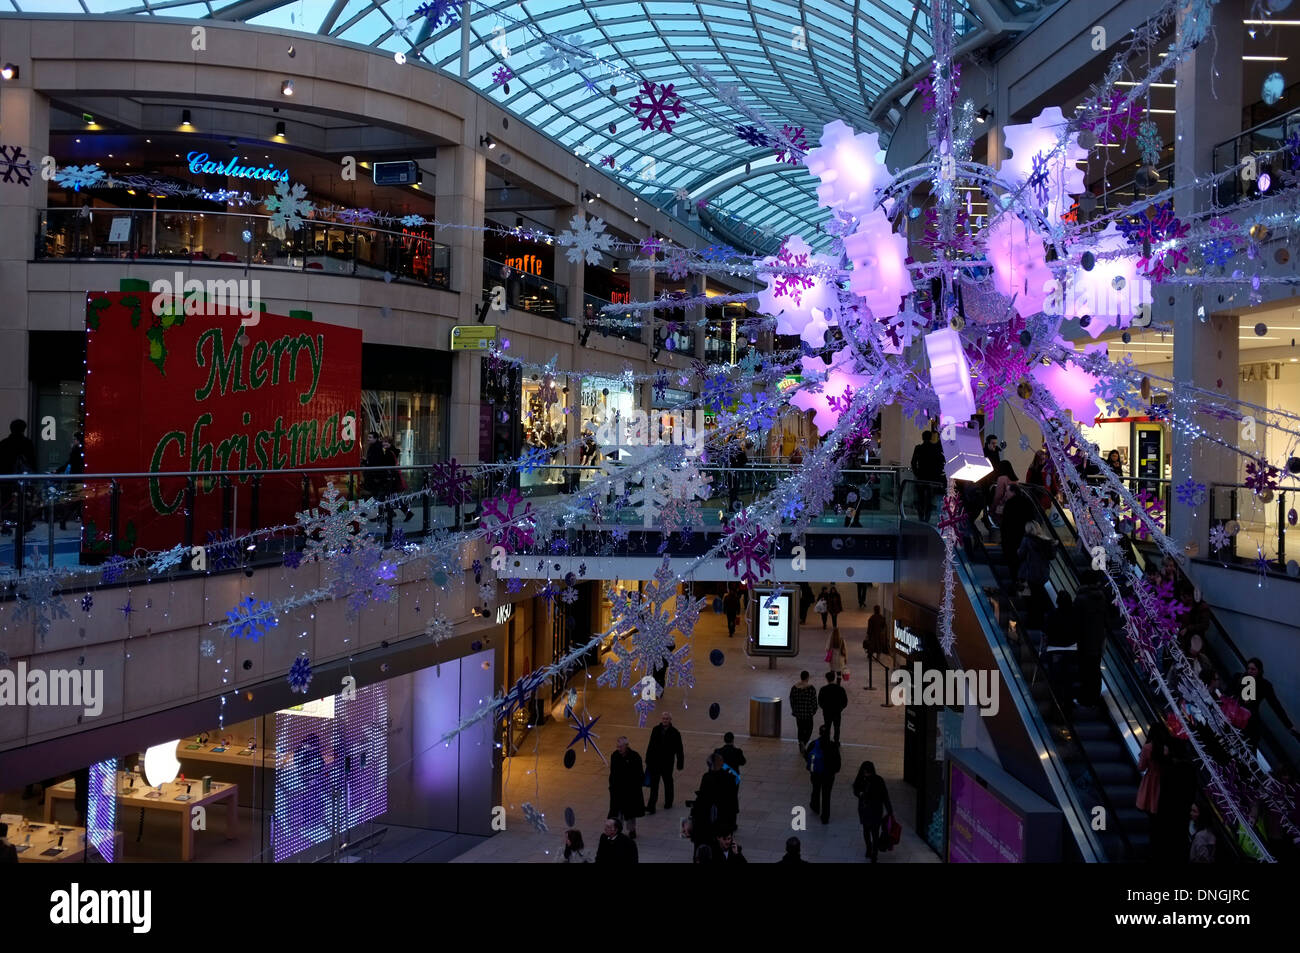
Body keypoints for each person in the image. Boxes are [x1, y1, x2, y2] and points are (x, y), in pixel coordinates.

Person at [1232, 657, 1299, 748]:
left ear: (1259, 670)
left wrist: (1289, 725)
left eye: (1253, 669)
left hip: (1249, 722)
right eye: (1248, 669)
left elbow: (1275, 705)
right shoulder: (1240, 678)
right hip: (1236, 716)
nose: (1250, 671)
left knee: (1247, 748)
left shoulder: (1264, 685)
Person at [1074, 571, 1111, 707]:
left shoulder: (1081, 599)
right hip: (1098, 640)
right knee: (1095, 670)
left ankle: (1085, 698)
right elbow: (1106, 619)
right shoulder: (1101, 597)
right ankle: (1095, 697)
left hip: (1084, 640)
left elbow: (1076, 621)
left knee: (1085, 671)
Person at [690, 753, 739, 846]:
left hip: (710, 812)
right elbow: (732, 797)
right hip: (724, 812)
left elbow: (703, 795)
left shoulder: (707, 777)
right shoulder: (729, 778)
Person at [0, 419, 37, 534]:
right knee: (24, 502)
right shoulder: (27, 443)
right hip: (23, 478)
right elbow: (32, 461)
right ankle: (25, 524)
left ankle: (6, 526)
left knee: (6, 502)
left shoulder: (4, 443)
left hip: (6, 478)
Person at [852, 760, 894, 861]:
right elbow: (885, 796)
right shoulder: (879, 780)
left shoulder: (861, 779)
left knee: (866, 831)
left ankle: (869, 849)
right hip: (876, 810)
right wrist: (889, 810)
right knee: (874, 832)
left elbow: (855, 790)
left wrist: (860, 794)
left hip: (865, 809)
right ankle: (874, 853)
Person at [1017, 522, 1056, 626]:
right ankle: (1039, 620)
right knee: (1039, 597)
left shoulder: (1027, 540)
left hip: (1028, 574)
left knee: (1028, 598)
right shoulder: (1047, 541)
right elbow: (1051, 556)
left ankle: (1031, 621)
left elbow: (1021, 554)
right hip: (1042, 574)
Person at [645, 711, 684, 814]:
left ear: (670, 720)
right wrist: (648, 759)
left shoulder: (675, 733)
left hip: (667, 763)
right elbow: (651, 745)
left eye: (667, 719)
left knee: (668, 783)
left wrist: (680, 763)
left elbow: (679, 749)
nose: (665, 720)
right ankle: (651, 806)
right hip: (655, 763)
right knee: (654, 785)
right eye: (663, 718)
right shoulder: (655, 730)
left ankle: (668, 802)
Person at [607, 736, 646, 839]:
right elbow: (613, 773)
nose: (618, 749)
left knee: (630, 814)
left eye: (621, 747)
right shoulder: (615, 756)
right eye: (618, 746)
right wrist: (612, 786)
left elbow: (640, 774)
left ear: (626, 746)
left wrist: (636, 786)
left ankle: (632, 830)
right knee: (617, 812)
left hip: (630, 791)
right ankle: (617, 830)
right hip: (618, 790)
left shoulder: (635, 756)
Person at [805, 725, 842, 824]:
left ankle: (815, 806)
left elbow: (807, 756)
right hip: (828, 775)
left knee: (815, 790)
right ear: (829, 734)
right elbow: (837, 760)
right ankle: (825, 817)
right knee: (826, 796)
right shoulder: (833, 745)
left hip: (816, 773)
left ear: (819, 733)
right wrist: (835, 770)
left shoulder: (813, 744)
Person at [910, 430, 945, 522]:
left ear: (922, 437)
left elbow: (913, 462)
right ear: (930, 437)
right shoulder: (934, 448)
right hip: (931, 478)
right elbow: (939, 462)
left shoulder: (918, 448)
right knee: (929, 498)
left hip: (921, 477)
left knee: (920, 498)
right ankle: (927, 517)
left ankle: (921, 516)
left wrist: (916, 473)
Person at [789, 671, 819, 755]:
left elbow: (792, 700)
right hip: (808, 713)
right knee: (809, 729)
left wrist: (794, 710)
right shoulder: (811, 688)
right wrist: (813, 711)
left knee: (800, 729)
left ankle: (801, 743)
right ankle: (804, 742)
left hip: (798, 713)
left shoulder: (794, 688)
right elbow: (814, 701)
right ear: (807, 677)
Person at [818, 671, 848, 743]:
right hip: (837, 712)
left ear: (827, 679)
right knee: (837, 727)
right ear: (834, 678)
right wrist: (840, 708)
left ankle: (827, 741)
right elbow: (845, 701)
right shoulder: (840, 689)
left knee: (827, 727)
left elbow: (820, 701)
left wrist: (824, 708)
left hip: (827, 712)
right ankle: (836, 741)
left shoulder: (823, 689)